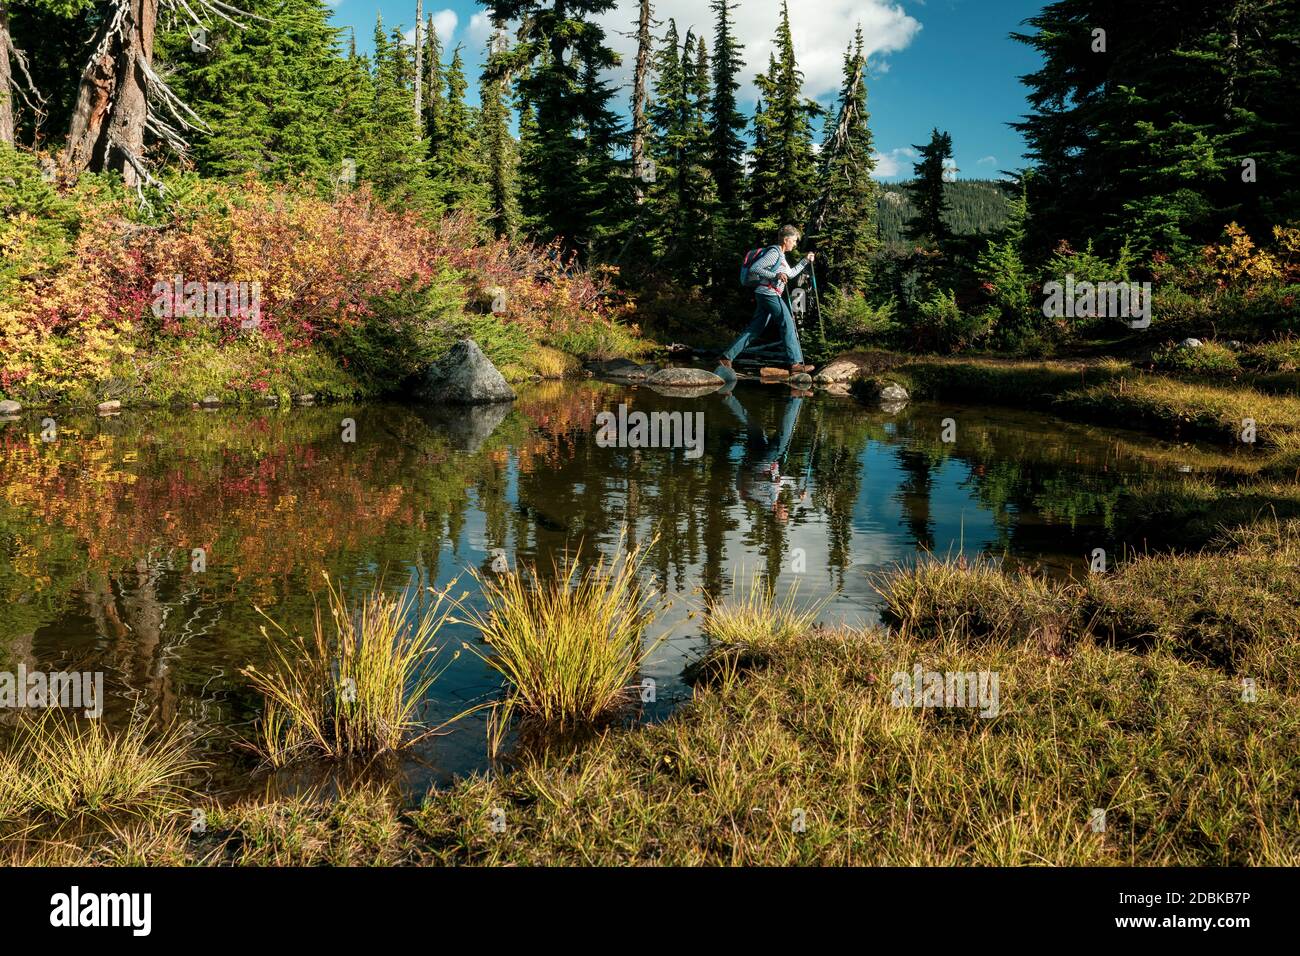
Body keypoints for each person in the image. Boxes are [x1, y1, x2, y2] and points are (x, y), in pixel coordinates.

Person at [719, 225, 815, 375]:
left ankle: (726, 358)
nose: (795, 244)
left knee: (755, 329)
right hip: (768, 293)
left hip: (767, 293)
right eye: (794, 241)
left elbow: (789, 274)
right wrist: (775, 276)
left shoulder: (782, 256)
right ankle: (795, 364)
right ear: (786, 239)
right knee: (787, 323)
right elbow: (755, 268)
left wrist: (805, 261)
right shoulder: (774, 252)